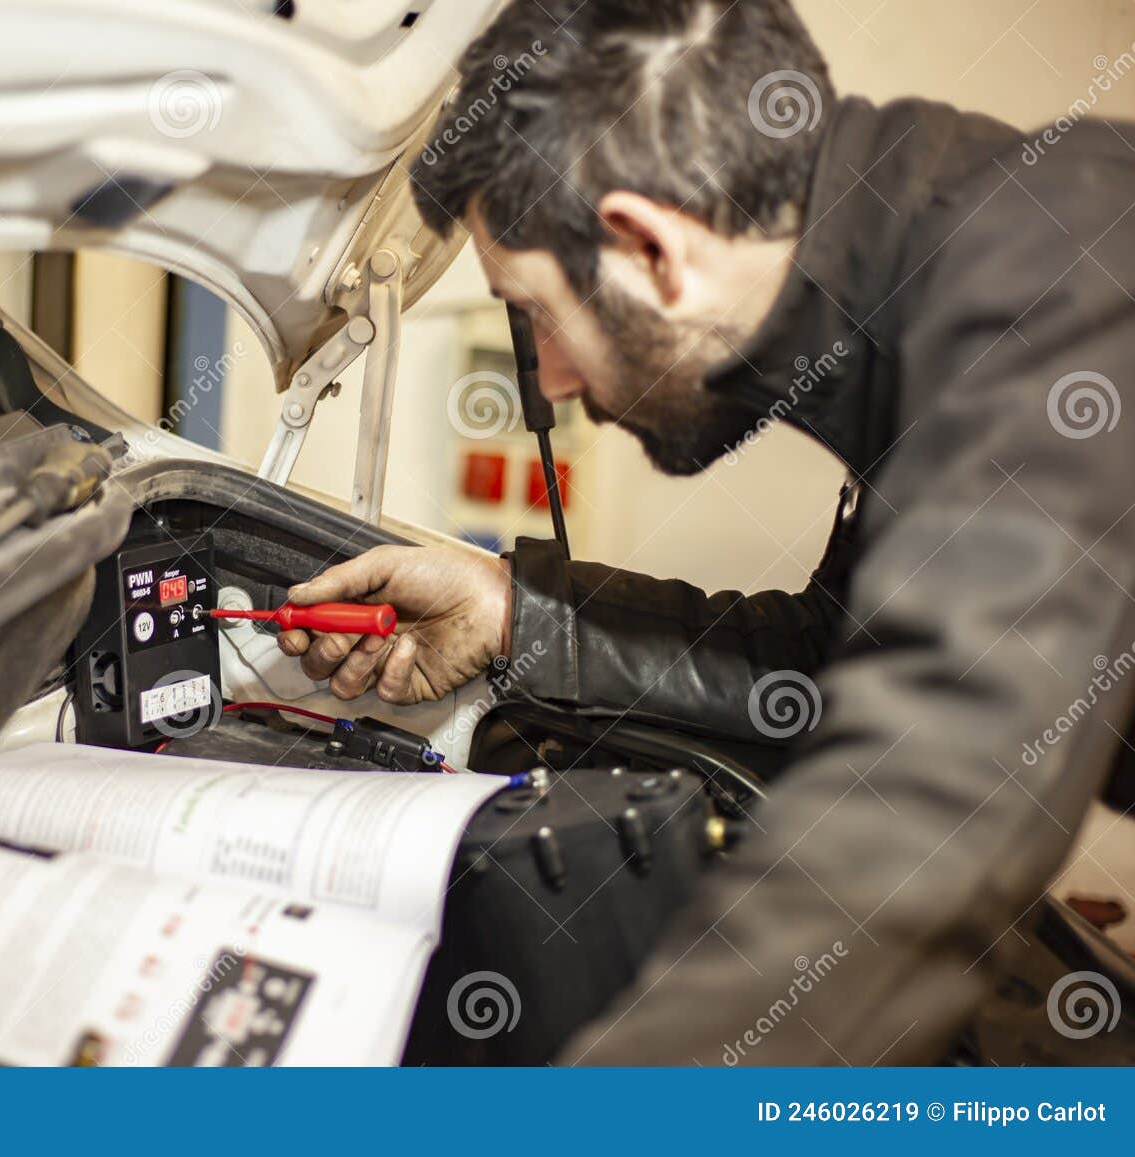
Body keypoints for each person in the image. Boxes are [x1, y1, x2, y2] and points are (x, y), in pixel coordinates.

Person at [278, 0, 1135, 1065]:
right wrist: (514, 614)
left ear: (648, 246)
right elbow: (829, 656)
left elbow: (934, 800)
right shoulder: (924, 275)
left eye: (533, 313)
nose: (545, 378)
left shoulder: (1046, 276)